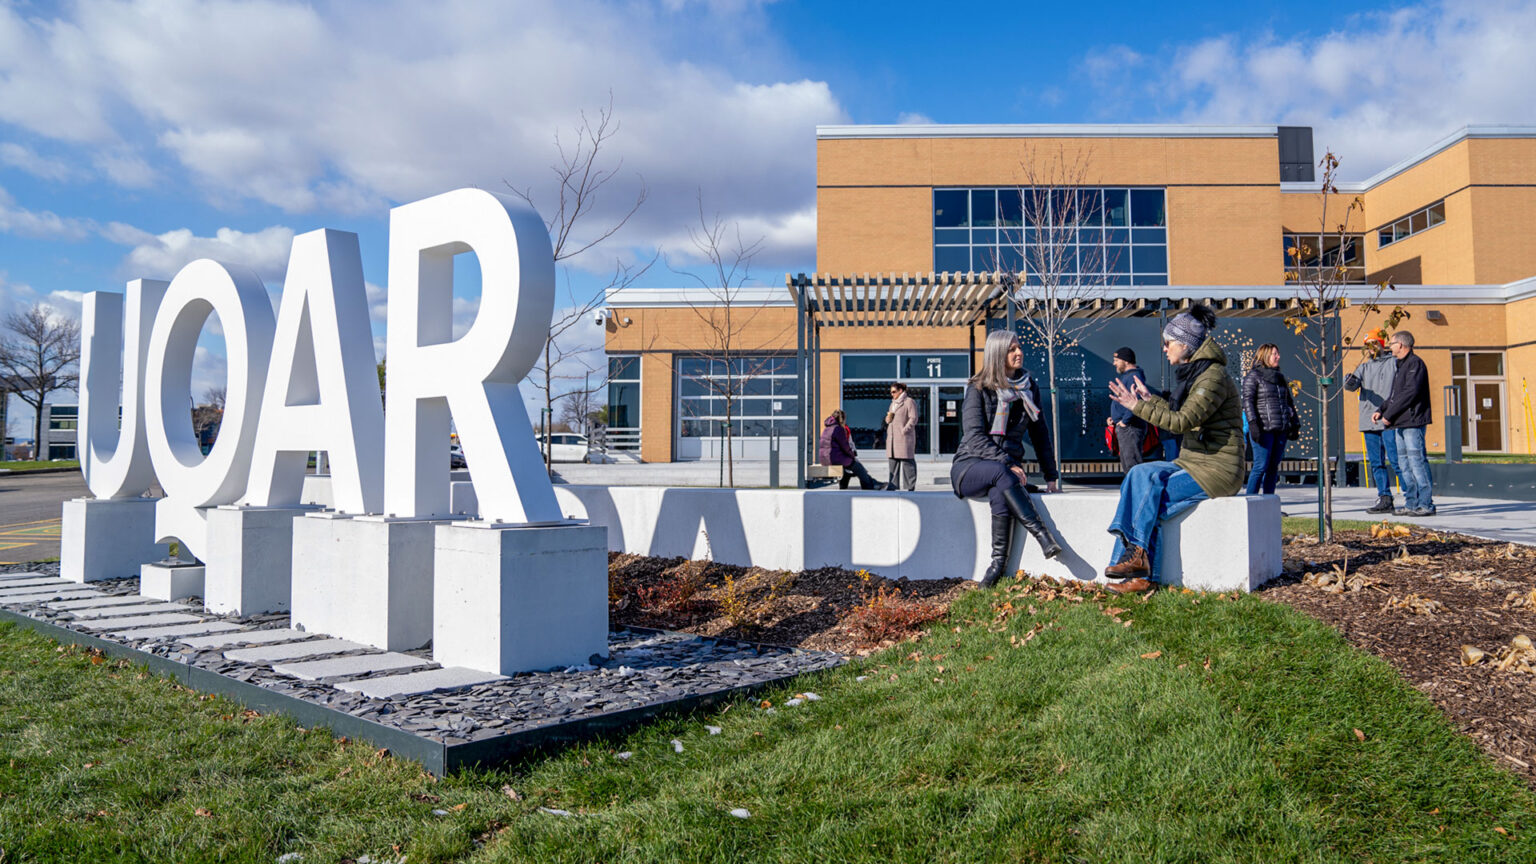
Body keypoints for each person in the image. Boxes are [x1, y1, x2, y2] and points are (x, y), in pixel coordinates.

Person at [1103, 303, 1243, 593]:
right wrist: (1149, 399)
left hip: (1217, 469)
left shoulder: (1212, 377)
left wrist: (1137, 406)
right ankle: (1137, 564)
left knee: (1148, 497)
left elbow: (1181, 422)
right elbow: (1181, 414)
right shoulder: (1196, 373)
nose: (1164, 349)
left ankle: (1140, 572)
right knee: (1139, 474)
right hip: (1193, 462)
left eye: (1168, 344)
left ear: (1184, 344)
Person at [950, 330, 1062, 587]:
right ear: (998, 353)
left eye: (1019, 347)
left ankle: (997, 566)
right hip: (970, 465)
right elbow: (975, 437)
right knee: (1003, 473)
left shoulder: (1029, 388)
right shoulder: (978, 388)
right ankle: (1042, 535)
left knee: (1001, 486)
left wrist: (1051, 476)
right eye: (1011, 349)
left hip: (1002, 472)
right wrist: (1008, 462)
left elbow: (1040, 433)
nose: (1019, 352)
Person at [1373, 330, 1435, 516]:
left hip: (1412, 422)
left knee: (1417, 462)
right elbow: (1394, 396)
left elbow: (1410, 393)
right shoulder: (1400, 366)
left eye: (1391, 343)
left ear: (1401, 345)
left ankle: (1426, 504)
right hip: (1399, 423)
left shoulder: (1415, 364)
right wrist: (1381, 409)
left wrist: (1389, 415)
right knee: (1404, 464)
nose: (1389, 347)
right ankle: (1411, 503)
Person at [1344, 331, 1401, 514]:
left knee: (1396, 460)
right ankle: (1385, 497)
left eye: (1373, 343)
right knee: (1376, 463)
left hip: (1389, 420)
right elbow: (1351, 387)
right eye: (1367, 344)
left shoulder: (1394, 363)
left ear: (1382, 343)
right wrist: (1350, 381)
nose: (1371, 347)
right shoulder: (1364, 367)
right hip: (1368, 421)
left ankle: (1412, 497)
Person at [1240, 343, 1300, 496]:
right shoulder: (1253, 376)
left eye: (1278, 354)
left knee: (1273, 467)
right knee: (1260, 466)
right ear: (1266, 356)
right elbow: (1248, 402)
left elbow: (1289, 402)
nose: (1278, 357)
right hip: (1263, 429)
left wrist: (1294, 423)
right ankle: (1251, 501)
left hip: (1280, 430)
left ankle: (1269, 503)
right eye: (1275, 354)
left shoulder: (1280, 378)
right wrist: (1253, 424)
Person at [1107, 346, 1150, 471]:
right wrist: (1114, 418)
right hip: (1127, 426)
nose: (1114, 363)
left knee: (1132, 463)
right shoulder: (1129, 376)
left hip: (1131, 427)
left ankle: (1138, 489)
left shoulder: (1133, 377)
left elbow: (1136, 402)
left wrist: (1124, 421)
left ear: (1125, 361)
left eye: (1116, 360)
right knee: (1128, 462)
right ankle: (1134, 489)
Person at [818, 409, 883, 490]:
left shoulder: (827, 428)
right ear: (843, 419)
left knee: (848, 468)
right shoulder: (838, 429)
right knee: (857, 466)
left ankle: (845, 487)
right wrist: (852, 455)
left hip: (825, 459)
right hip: (833, 458)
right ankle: (868, 486)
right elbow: (845, 446)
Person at [884, 382, 918, 491]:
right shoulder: (892, 404)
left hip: (904, 437)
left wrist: (905, 430)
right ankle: (893, 486)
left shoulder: (909, 402)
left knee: (908, 462)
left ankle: (910, 487)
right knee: (893, 463)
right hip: (892, 437)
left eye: (894, 392)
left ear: (900, 391)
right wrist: (888, 419)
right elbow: (889, 419)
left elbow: (913, 418)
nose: (892, 394)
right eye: (891, 392)